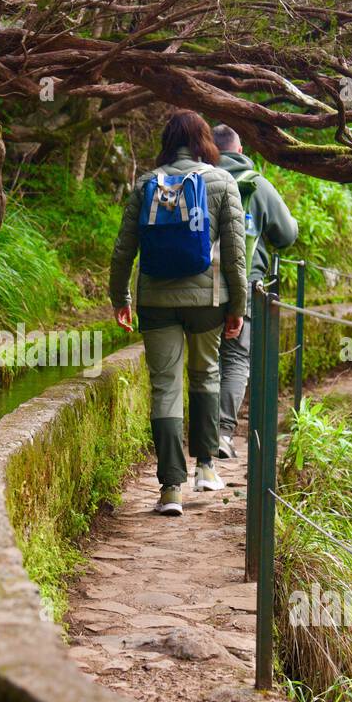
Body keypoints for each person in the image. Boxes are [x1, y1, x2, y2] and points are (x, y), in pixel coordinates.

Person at [110, 111, 248, 516]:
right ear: (205, 141)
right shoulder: (223, 182)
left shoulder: (146, 184)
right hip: (207, 302)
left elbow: (123, 249)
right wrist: (237, 306)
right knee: (206, 374)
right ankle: (206, 468)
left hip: (156, 301)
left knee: (164, 387)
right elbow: (236, 255)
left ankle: (171, 488)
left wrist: (120, 297)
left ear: (168, 141)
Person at [210, 124, 298, 460]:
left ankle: (201, 429)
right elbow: (286, 234)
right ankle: (221, 432)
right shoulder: (255, 184)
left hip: (198, 284)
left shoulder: (199, 179)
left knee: (206, 358)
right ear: (240, 150)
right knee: (234, 359)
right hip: (244, 284)